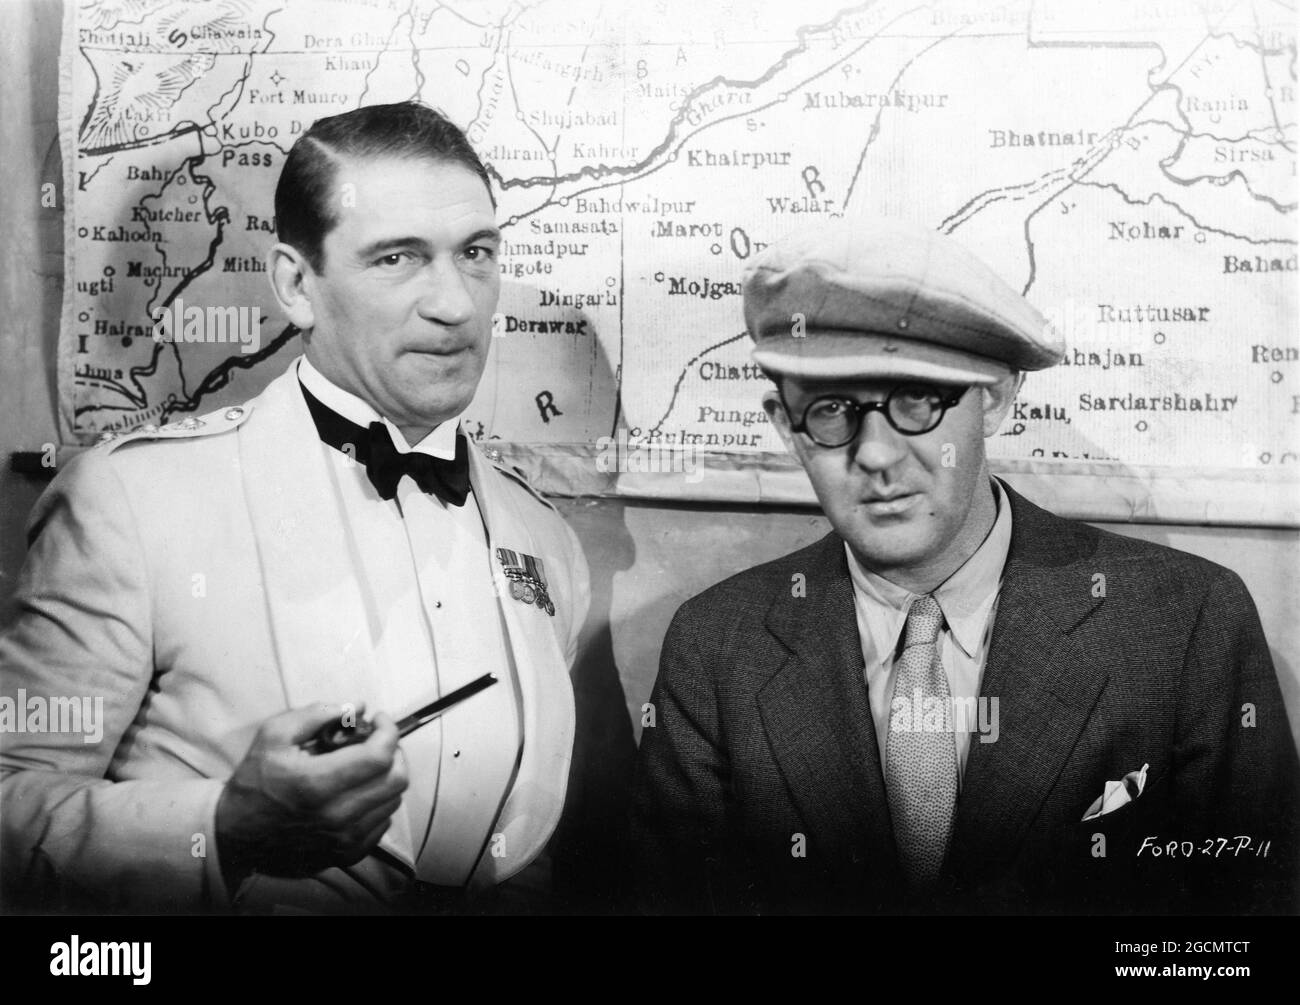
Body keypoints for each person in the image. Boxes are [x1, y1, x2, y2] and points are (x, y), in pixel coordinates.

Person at [0, 102, 590, 914]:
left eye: (476, 254)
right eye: (398, 258)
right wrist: (225, 827)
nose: (455, 303)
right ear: (295, 285)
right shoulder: (135, 500)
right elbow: (11, 802)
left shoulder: (545, 540)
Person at [630, 217, 1300, 915]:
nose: (878, 455)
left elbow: (1236, 942)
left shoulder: (1184, 623)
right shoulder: (715, 648)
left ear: (995, 399)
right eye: (831, 411)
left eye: (917, 400)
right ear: (784, 427)